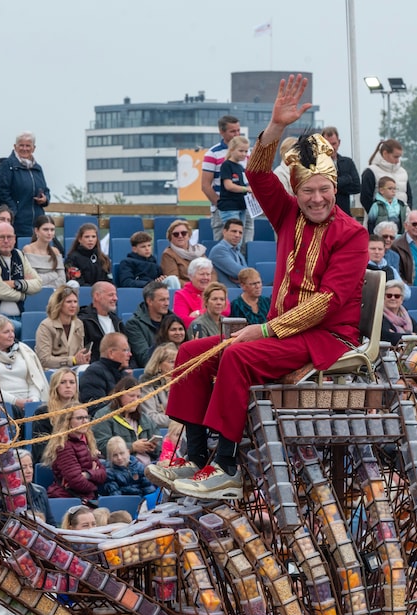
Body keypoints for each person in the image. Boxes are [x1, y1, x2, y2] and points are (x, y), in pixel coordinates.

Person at [155, 75, 368, 500]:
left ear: (334, 188)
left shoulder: (353, 235)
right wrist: (275, 129)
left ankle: (227, 465)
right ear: (296, 190)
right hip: (282, 331)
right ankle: (195, 456)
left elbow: (328, 303)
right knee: (192, 351)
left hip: (325, 339)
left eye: (324, 189)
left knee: (236, 354)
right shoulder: (288, 213)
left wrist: (266, 330)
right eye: (308, 190)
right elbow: (254, 171)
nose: (317, 198)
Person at [0, 315, 49, 416]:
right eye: (6, 332)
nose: (11, 335)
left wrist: (33, 400)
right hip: (3, 407)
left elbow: (35, 380)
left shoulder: (23, 350)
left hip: (31, 403)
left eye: (12, 331)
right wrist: (16, 401)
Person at [0, 223, 42, 330]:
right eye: (1, 237)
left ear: (15, 239)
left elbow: (38, 283)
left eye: (9, 237)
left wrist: (16, 283)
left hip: (20, 316)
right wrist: (23, 294)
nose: (6, 240)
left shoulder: (19, 255)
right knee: (25, 329)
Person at [44, 407, 105, 505]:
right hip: (67, 498)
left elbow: (102, 474)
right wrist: (94, 485)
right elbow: (76, 481)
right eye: (79, 418)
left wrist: (88, 475)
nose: (85, 421)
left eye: (86, 417)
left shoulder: (88, 441)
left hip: (86, 498)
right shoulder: (64, 446)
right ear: (68, 422)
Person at [0, 132, 50, 237]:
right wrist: (14, 212)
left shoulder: (37, 168)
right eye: (21, 145)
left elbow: (45, 189)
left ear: (34, 148)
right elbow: (1, 192)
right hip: (16, 222)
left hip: (36, 221)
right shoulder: (7, 165)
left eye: (28, 145)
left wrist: (45, 199)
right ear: (15, 147)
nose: (24, 148)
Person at [201, 115, 244, 242]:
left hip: (243, 207)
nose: (236, 134)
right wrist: (221, 204)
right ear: (222, 132)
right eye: (232, 131)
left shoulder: (246, 153)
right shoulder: (212, 154)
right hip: (224, 208)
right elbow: (205, 185)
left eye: (238, 130)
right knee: (223, 244)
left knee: (244, 246)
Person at [91, 376, 156, 461]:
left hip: (148, 464)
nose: (135, 400)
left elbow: (158, 448)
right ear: (119, 395)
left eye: (138, 396)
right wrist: (132, 447)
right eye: (131, 395)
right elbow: (102, 446)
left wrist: (153, 447)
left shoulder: (144, 418)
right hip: (121, 467)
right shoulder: (103, 416)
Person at [35, 286, 91, 370]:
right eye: (68, 302)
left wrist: (82, 358)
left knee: (87, 369)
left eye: (75, 302)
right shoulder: (46, 326)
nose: (73, 305)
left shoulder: (78, 324)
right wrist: (71, 360)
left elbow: (79, 352)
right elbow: (44, 360)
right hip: (51, 370)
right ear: (59, 304)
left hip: (73, 368)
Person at [29, 368, 79, 462]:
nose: (68, 386)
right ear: (55, 386)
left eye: (72, 382)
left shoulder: (81, 410)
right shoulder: (43, 413)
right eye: (63, 382)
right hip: (55, 460)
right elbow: (41, 450)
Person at [123, 280, 171, 368]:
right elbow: (145, 358)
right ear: (149, 301)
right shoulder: (134, 324)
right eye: (162, 300)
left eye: (168, 299)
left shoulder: (173, 320)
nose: (167, 303)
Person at [78, 333, 130, 412]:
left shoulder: (124, 375)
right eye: (125, 350)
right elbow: (95, 408)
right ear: (111, 353)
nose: (130, 354)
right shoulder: (94, 373)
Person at [360, 138, 411, 213]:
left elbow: (409, 197)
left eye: (399, 157)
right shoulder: (371, 172)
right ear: (385, 153)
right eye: (395, 157)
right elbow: (365, 199)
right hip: (378, 222)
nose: (398, 160)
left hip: (402, 220)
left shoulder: (403, 172)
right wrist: (378, 215)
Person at [138, 343, 177, 431]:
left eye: (177, 361)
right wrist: (178, 420)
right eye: (171, 362)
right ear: (158, 365)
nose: (176, 365)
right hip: (159, 432)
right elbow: (150, 417)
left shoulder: (180, 383)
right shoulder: (147, 386)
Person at [322, 126, 361, 214]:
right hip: (324, 214)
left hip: (344, 212)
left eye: (333, 144)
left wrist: (334, 185)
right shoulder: (317, 165)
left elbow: (357, 187)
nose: (331, 148)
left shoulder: (348, 162)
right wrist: (346, 179)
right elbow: (322, 186)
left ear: (339, 142)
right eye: (327, 144)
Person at [22, 216, 66, 290]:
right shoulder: (28, 249)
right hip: (36, 291)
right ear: (36, 231)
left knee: (73, 284)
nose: (49, 233)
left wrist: (48, 287)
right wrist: (54, 275)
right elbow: (31, 279)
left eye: (52, 230)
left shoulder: (55, 251)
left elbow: (62, 280)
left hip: (55, 292)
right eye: (45, 229)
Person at [216, 135, 252, 224]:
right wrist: (246, 189)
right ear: (232, 150)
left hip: (241, 206)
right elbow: (229, 186)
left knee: (239, 235)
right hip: (230, 207)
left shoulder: (240, 167)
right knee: (233, 235)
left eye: (246, 151)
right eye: (241, 151)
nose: (244, 154)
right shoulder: (227, 165)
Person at [77, 281, 123, 350]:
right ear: (97, 296)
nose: (115, 298)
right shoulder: (84, 321)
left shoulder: (117, 321)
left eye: (115, 295)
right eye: (111, 295)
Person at [159, 219, 206, 287]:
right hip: (186, 289)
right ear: (170, 238)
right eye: (176, 234)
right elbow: (175, 281)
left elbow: (211, 272)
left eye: (184, 233)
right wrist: (196, 286)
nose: (180, 236)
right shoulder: (168, 254)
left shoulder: (199, 251)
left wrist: (209, 286)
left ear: (189, 235)